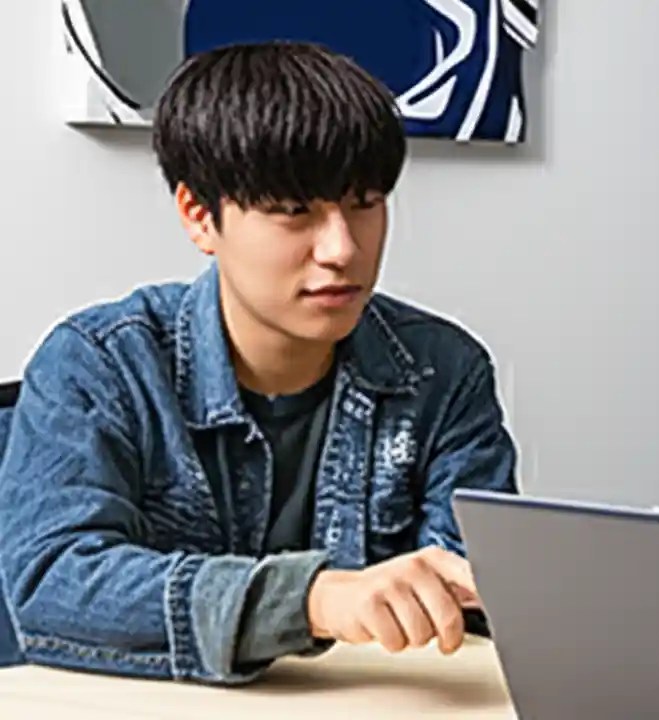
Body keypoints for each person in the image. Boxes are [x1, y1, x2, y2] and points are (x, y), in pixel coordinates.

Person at [0, 41, 518, 684]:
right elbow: (50, 584)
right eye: (294, 212)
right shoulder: (101, 364)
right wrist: (310, 599)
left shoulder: (444, 371)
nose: (342, 248)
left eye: (365, 202)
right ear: (199, 216)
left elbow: (477, 607)